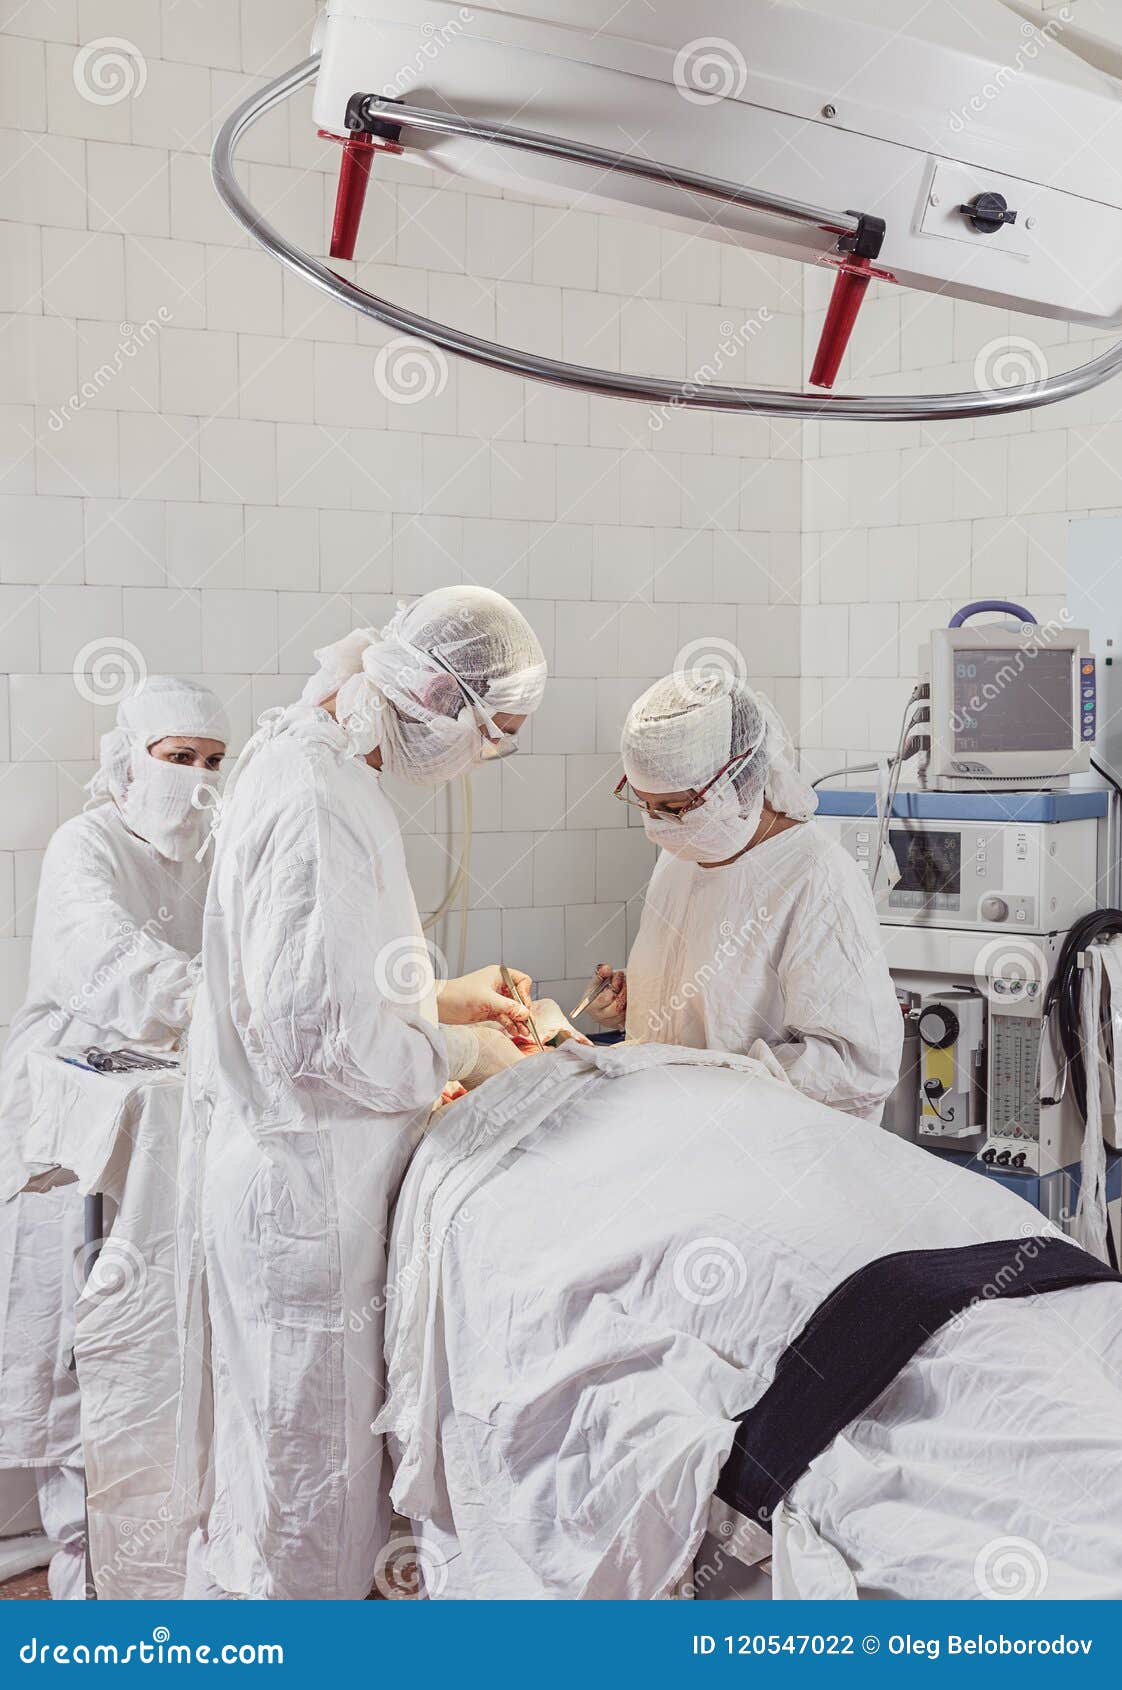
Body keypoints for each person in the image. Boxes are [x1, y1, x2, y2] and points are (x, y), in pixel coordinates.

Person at [177, 585, 547, 1601]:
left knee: (276, 1481)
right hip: (301, 1196)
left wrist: (436, 997)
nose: (484, 757)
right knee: (312, 1500)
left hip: (299, 1179)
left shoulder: (320, 765)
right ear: (440, 697)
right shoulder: (315, 800)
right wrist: (464, 1051)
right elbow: (319, 1039)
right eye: (495, 734)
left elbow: (317, 980)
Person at [0, 677, 230, 1599]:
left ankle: (156, 1551)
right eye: (179, 759)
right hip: (71, 1111)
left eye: (215, 762)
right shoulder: (83, 845)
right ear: (128, 760)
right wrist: (235, 1009)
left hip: (172, 1107)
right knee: (72, 1334)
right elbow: (109, 967)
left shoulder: (213, 852)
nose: (198, 779)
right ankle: (78, 1564)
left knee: (154, 1336)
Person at [586, 671, 902, 1122]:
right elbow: (717, 999)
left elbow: (855, 1070)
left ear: (739, 780)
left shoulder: (816, 879)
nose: (657, 827)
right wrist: (634, 1005)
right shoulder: (684, 853)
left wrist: (708, 1085)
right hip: (668, 1129)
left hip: (770, 1151)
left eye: (674, 808)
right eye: (644, 804)